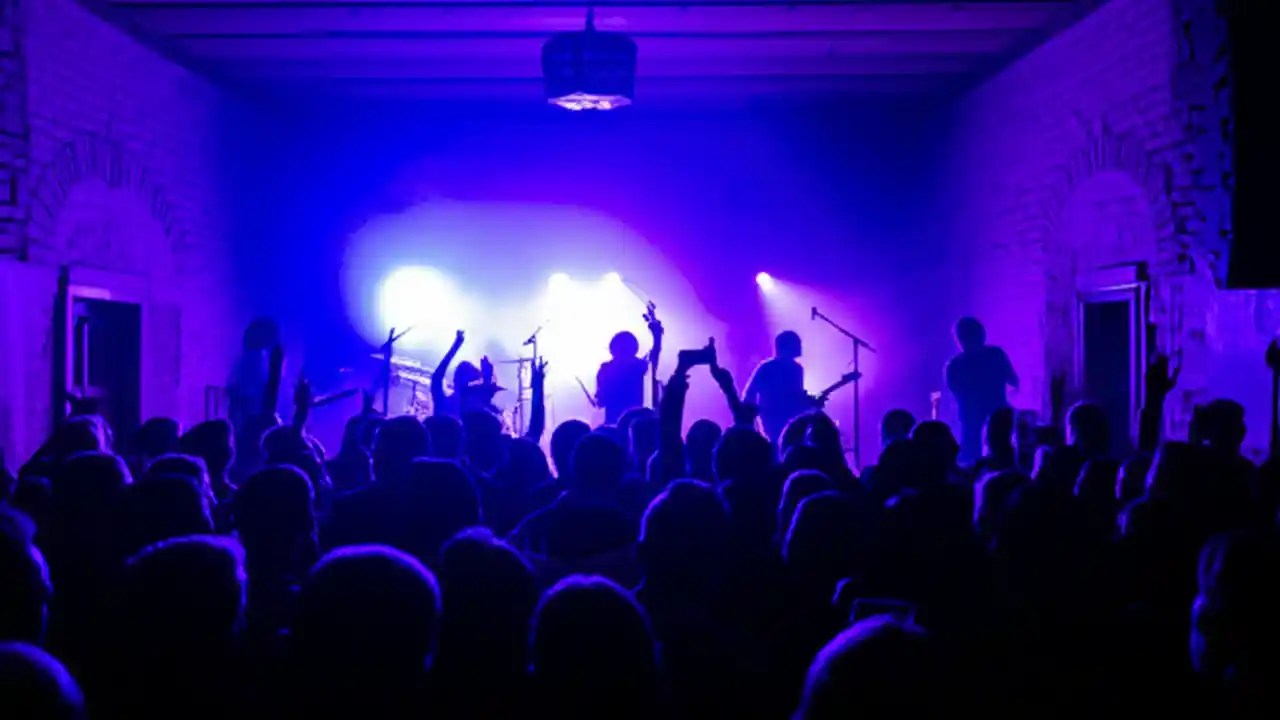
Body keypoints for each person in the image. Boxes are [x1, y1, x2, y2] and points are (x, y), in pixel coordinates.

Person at [945, 317, 1018, 463]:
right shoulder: (995, 355)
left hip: (977, 414)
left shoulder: (955, 364)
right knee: (999, 448)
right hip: (994, 412)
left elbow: (954, 392)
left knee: (972, 450)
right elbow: (1014, 381)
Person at [744, 331, 811, 444]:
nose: (801, 347)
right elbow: (751, 393)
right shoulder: (770, 367)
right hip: (774, 417)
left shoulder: (794, 368)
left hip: (782, 417)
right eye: (797, 343)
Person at [596, 317, 662, 425]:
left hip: (614, 421)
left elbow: (601, 400)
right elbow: (654, 356)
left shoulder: (606, 368)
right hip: (635, 421)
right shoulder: (638, 365)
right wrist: (657, 336)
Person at [433, 331, 502, 420]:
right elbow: (437, 378)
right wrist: (486, 379)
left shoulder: (446, 403)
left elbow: (437, 378)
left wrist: (455, 346)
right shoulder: (472, 406)